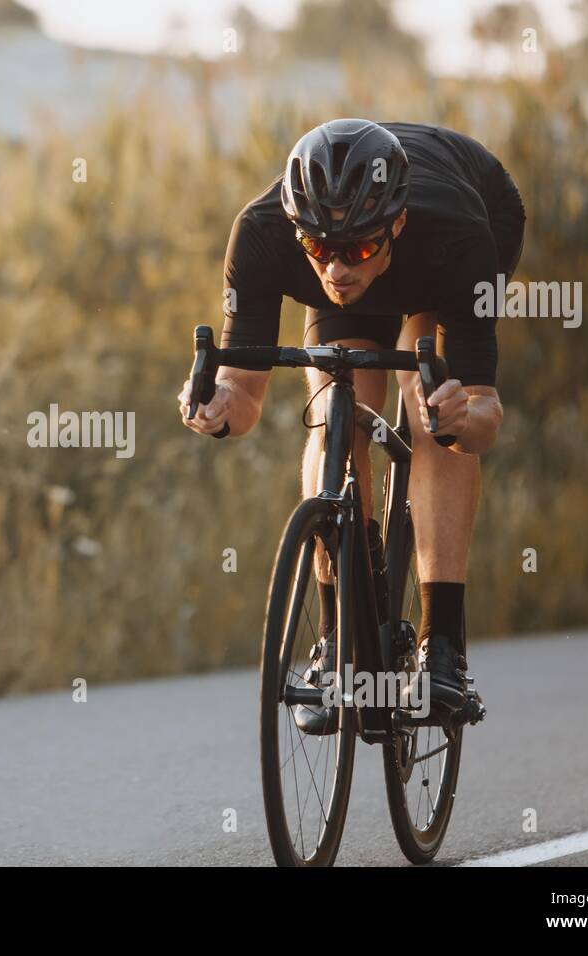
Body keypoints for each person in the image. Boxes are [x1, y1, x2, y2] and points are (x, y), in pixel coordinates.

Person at [180, 119, 525, 728]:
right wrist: (212, 407)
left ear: (392, 224)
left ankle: (441, 646)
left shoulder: (458, 235)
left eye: (357, 250)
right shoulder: (263, 235)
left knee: (432, 413)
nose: (336, 270)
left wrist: (459, 414)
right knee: (335, 418)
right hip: (386, 235)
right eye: (318, 250)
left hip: (469, 219)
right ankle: (343, 640)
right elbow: (245, 396)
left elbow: (485, 414)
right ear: (297, 232)